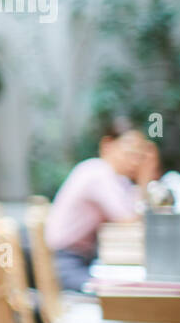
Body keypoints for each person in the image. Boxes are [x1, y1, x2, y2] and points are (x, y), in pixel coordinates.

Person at [45, 117, 157, 291]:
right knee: (115, 294)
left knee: (125, 289)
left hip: (81, 260)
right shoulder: (97, 172)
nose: (135, 161)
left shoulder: (116, 180)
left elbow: (134, 212)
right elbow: (128, 220)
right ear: (107, 145)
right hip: (64, 264)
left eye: (139, 155)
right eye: (129, 152)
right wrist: (145, 179)